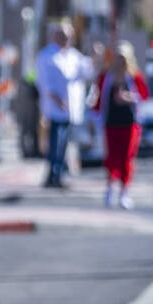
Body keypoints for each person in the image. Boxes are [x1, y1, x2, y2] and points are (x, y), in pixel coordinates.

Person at [35, 19, 94, 188]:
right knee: (55, 142)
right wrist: (56, 99)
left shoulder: (74, 56)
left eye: (68, 36)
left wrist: (95, 57)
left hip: (71, 108)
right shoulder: (46, 55)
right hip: (55, 108)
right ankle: (53, 174)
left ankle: (58, 173)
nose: (66, 39)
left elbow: (87, 73)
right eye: (62, 35)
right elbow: (44, 82)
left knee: (64, 144)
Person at [90, 42, 150, 209]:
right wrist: (93, 119)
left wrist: (129, 97)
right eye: (118, 57)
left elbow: (144, 96)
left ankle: (125, 192)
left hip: (130, 124)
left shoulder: (135, 76)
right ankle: (110, 189)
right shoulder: (106, 77)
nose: (120, 61)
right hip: (110, 123)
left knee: (127, 158)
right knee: (111, 157)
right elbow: (97, 99)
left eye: (123, 58)